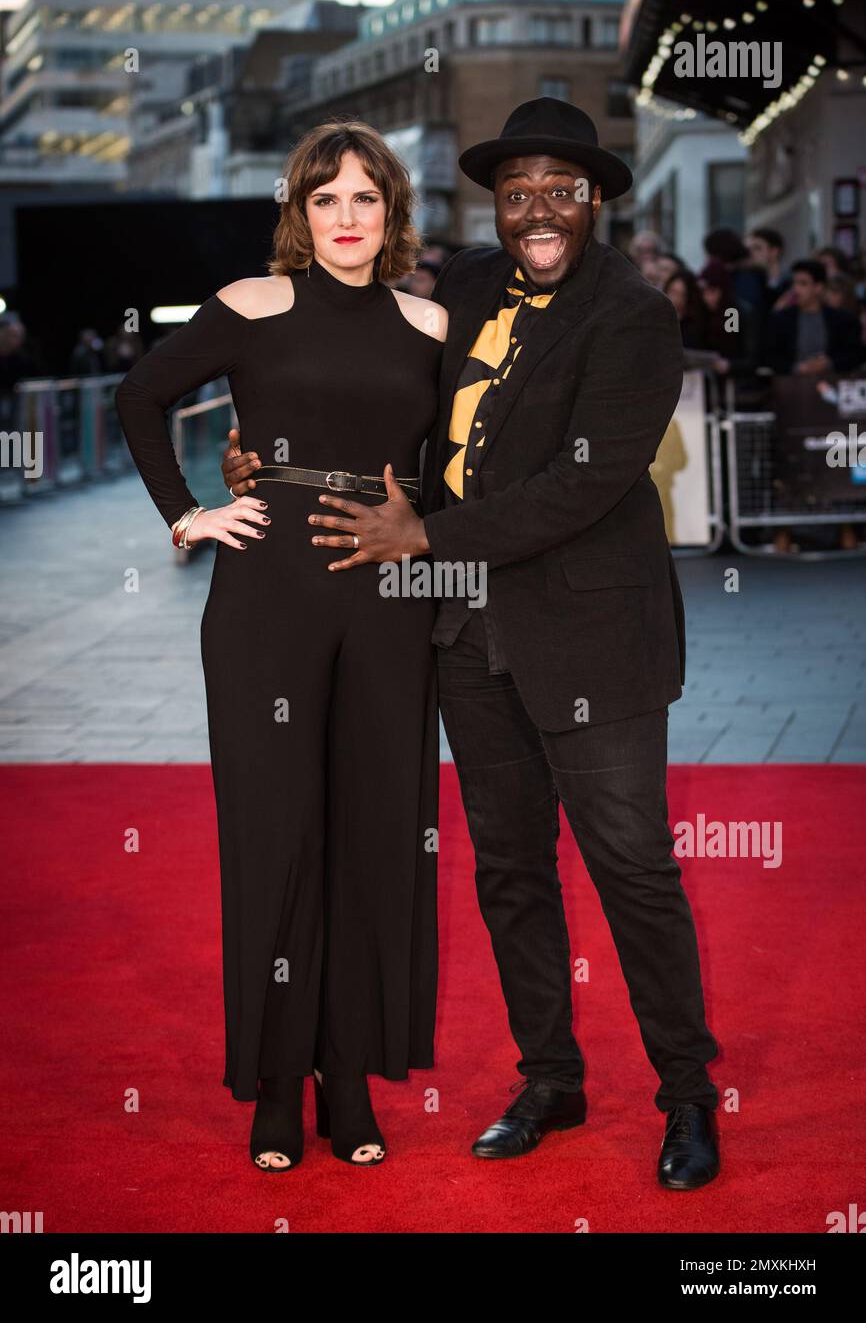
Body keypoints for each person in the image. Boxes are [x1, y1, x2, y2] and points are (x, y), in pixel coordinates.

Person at [225, 98, 722, 1191]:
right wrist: (264, 449)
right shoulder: (453, 287)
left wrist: (426, 534)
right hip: (461, 628)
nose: (537, 211)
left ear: (593, 200)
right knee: (507, 868)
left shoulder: (631, 317)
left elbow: (583, 485)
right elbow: (353, 366)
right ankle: (549, 1076)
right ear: (492, 205)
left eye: (561, 190)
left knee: (631, 867)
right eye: (517, 193)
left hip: (589, 636)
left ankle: (686, 1092)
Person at [115, 121, 446, 1173]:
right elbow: (140, 396)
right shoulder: (253, 304)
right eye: (325, 199)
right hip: (269, 592)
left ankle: (348, 1081)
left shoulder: (432, 320)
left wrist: (429, 525)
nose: (346, 218)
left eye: (365, 198)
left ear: (392, 211)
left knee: (377, 835)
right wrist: (188, 514)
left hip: (389, 592)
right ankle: (275, 1083)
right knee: (276, 835)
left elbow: (456, 462)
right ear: (299, 214)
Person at [764, 259, 865, 376]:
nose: (796, 289)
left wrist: (829, 363)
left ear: (818, 287)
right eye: (794, 283)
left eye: (803, 284)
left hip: (833, 383)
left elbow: (855, 354)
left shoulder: (843, 320)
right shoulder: (780, 319)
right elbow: (769, 356)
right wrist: (798, 368)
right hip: (791, 385)